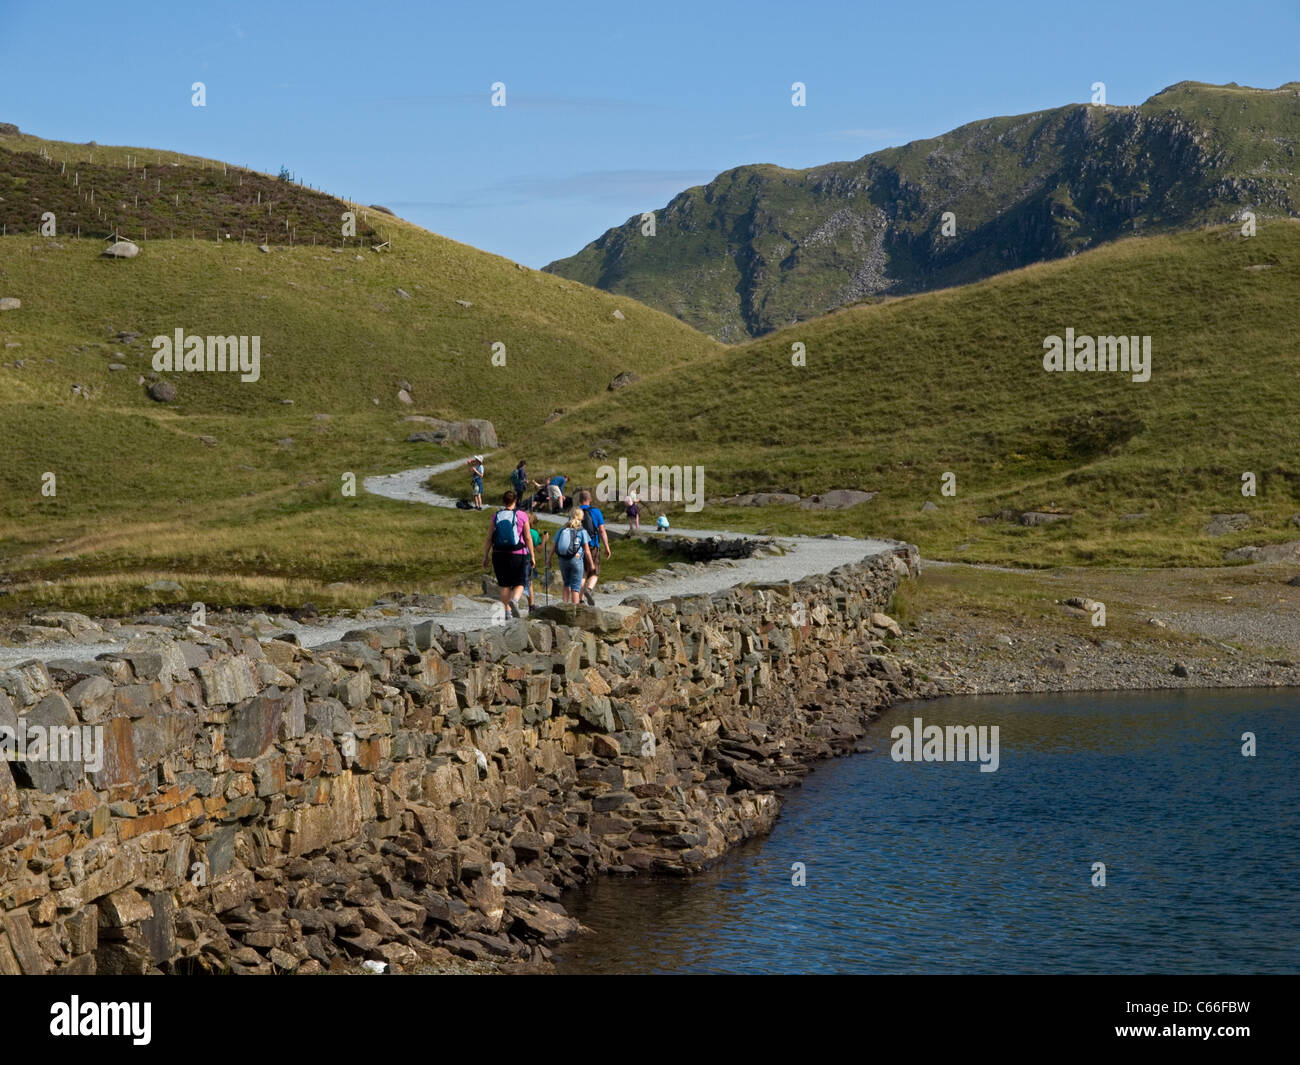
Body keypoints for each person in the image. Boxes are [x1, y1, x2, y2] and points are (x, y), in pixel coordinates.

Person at [481, 490, 534, 619]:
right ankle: (515, 600)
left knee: (504, 584)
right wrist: (531, 555)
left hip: (499, 554)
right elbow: (527, 537)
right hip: (518, 554)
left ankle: (507, 612)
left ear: (503, 501)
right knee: (520, 582)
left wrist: (485, 556)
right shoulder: (522, 515)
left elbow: (489, 538)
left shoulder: (496, 515)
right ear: (515, 501)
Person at [548, 508, 595, 605]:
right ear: (581, 517)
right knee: (575, 587)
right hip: (576, 560)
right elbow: (587, 550)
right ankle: (575, 611)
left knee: (566, 584)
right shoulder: (582, 531)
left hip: (562, 560)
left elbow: (553, 545)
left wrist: (549, 559)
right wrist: (591, 564)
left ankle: (564, 608)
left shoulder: (562, 529)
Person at [576, 488, 611, 606]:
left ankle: (580, 600)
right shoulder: (596, 512)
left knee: (582, 573)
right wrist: (607, 547)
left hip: (578, 547)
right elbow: (602, 530)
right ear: (590, 500)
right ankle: (589, 590)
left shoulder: (575, 512)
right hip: (593, 546)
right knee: (594, 573)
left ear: (580, 500)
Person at [523, 525, 548, 612]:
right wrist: (544, 539)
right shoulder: (533, 532)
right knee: (529, 582)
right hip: (527, 559)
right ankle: (531, 606)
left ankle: (509, 605)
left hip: (514, 556)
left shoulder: (516, 528)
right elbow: (539, 549)